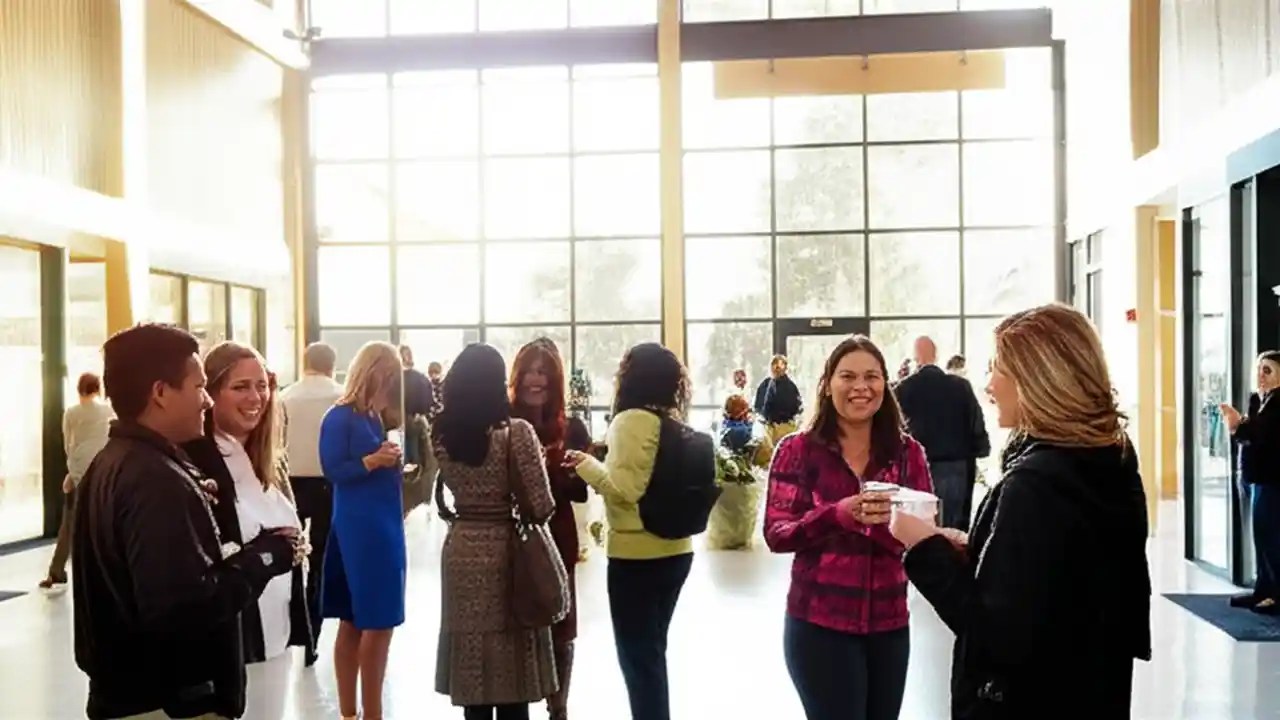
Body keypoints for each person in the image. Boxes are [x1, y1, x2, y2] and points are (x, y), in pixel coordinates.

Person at [891, 303, 1152, 719]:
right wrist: (979, 550)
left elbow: (995, 634)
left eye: (997, 369)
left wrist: (922, 547)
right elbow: (1057, 583)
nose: (988, 385)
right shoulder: (1109, 458)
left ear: (1036, 379)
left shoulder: (1034, 485)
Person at [72, 323, 298, 720]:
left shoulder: (113, 463)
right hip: (169, 702)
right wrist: (263, 558)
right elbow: (184, 610)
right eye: (199, 388)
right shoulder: (154, 479)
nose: (206, 401)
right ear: (160, 393)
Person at [763, 335, 933, 720]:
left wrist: (894, 525)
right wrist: (837, 515)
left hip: (890, 624)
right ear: (827, 385)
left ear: (885, 385)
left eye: (872, 376)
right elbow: (777, 533)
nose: (861, 387)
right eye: (848, 376)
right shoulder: (796, 450)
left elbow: (922, 535)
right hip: (819, 623)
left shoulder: (909, 454)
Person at [564, 343, 696, 720]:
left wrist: (585, 464)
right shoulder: (671, 422)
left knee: (639, 661)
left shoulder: (630, 421)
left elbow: (624, 490)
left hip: (637, 556)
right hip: (677, 550)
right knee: (652, 654)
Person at [181, 342, 313, 716]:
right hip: (232, 644)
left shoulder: (266, 459)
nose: (255, 397)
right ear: (209, 394)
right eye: (240, 387)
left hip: (276, 632)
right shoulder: (196, 463)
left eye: (262, 385)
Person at [433, 343, 559, 720]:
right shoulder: (516, 432)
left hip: (461, 549)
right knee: (512, 678)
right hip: (507, 554)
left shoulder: (442, 434)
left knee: (473, 670)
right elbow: (541, 505)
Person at [319, 341, 407, 720]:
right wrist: (373, 461)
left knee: (355, 619)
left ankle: (352, 713)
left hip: (382, 518)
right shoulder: (340, 417)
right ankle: (369, 713)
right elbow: (333, 469)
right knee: (377, 620)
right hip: (363, 526)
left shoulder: (375, 418)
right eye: (387, 377)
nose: (390, 385)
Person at [509, 339, 591, 720]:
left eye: (542, 371)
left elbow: (579, 491)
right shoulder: (503, 423)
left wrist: (560, 469)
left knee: (561, 622)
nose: (535, 379)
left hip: (557, 535)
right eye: (529, 370)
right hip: (512, 536)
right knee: (517, 622)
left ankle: (559, 707)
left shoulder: (572, 428)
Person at [279, 342, 343, 651]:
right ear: (333, 365)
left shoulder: (286, 397)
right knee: (319, 558)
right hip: (328, 483)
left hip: (292, 481)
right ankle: (313, 631)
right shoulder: (341, 397)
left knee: (289, 552)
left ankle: (289, 622)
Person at [894, 336, 990, 532]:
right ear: (936, 355)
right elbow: (975, 421)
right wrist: (981, 448)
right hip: (957, 464)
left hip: (919, 465)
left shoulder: (903, 390)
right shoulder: (961, 386)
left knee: (922, 525)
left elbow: (896, 429)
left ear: (915, 358)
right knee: (955, 527)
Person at [39, 372, 113, 593]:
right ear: (98, 388)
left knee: (70, 520)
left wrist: (72, 473)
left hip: (80, 470)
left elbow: (68, 445)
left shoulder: (71, 412)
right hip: (103, 469)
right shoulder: (108, 410)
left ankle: (57, 569)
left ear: (80, 389)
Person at [1222, 350, 1280, 613]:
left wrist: (1238, 425)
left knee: (1271, 538)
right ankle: (1263, 590)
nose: (1261, 375)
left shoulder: (1278, 404)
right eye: (1259, 369)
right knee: (1262, 537)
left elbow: (1260, 435)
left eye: (1267, 370)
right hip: (1259, 479)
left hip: (1273, 481)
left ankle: (1274, 595)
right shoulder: (1261, 400)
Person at [758, 355, 803, 444]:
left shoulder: (788, 387)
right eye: (774, 366)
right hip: (777, 426)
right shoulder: (771, 383)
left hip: (781, 426)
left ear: (785, 368)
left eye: (778, 367)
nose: (775, 370)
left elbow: (794, 407)